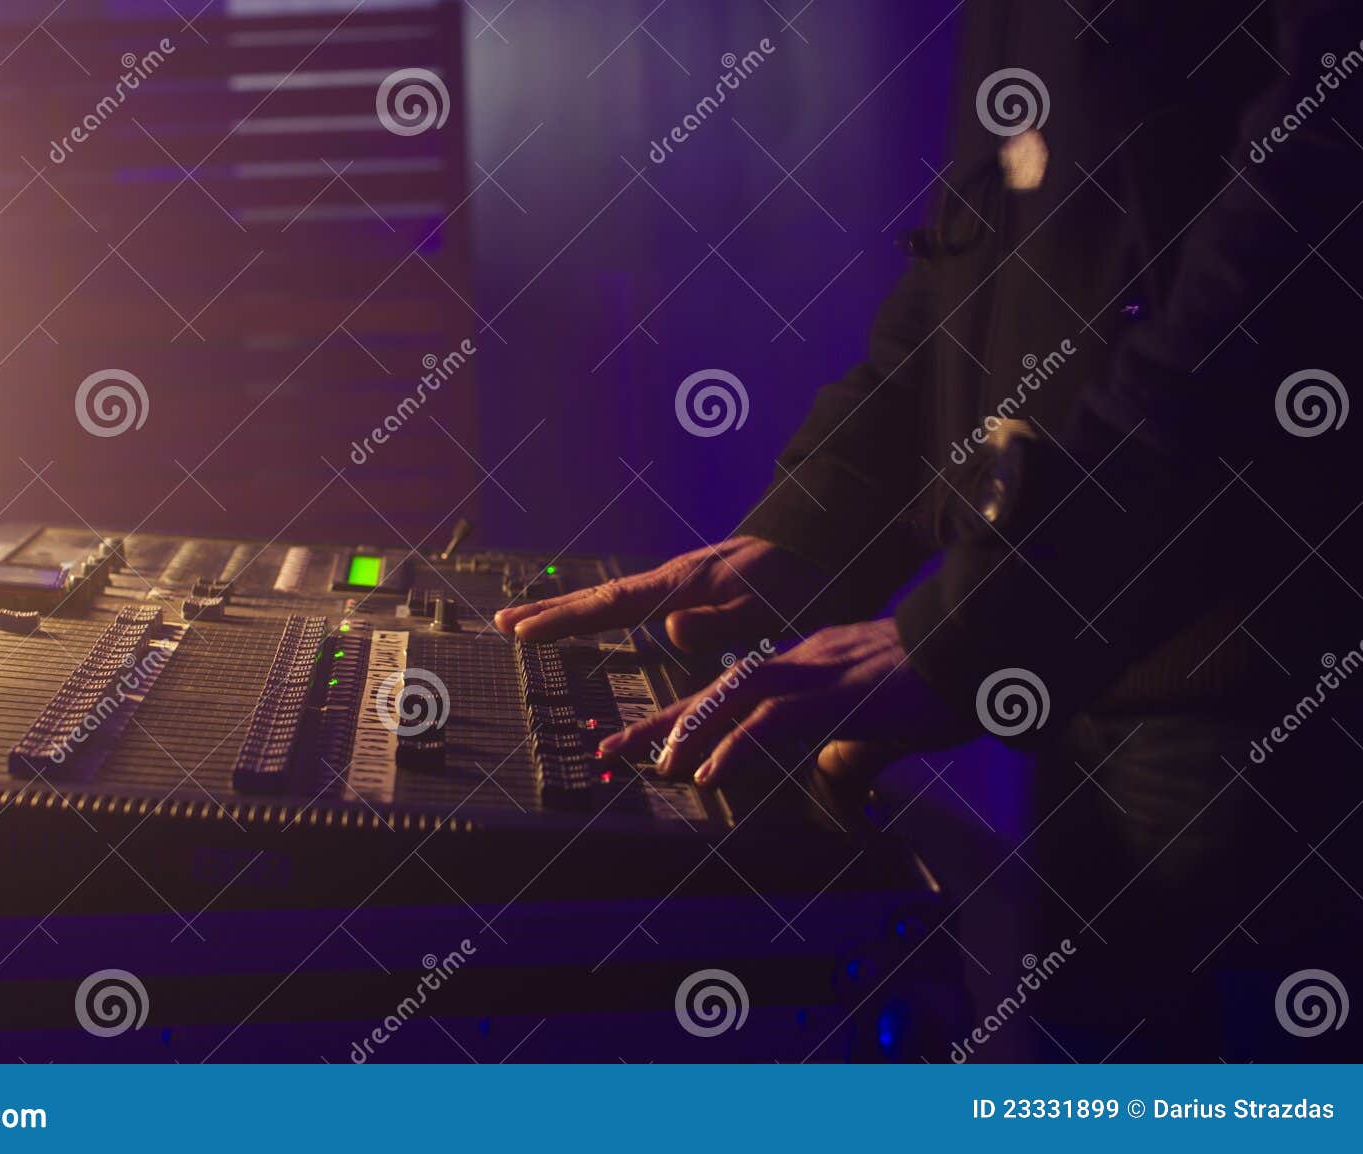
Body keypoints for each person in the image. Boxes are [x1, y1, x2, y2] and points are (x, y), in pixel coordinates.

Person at [497, 1, 1363, 1061]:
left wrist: (972, 619)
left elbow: (1284, 259)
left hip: (1256, 684)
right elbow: (967, 267)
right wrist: (811, 529)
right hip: (1095, 666)